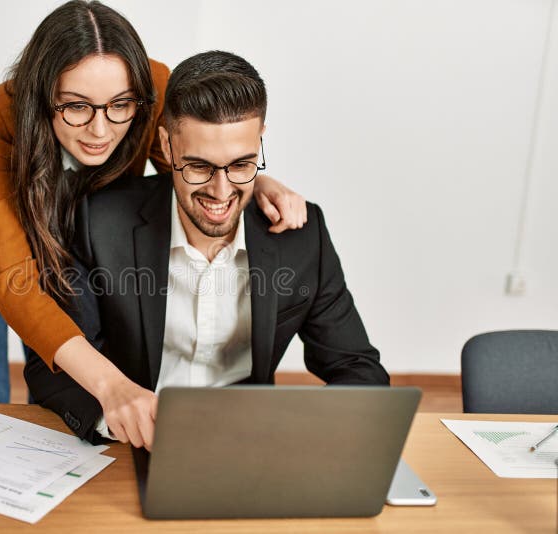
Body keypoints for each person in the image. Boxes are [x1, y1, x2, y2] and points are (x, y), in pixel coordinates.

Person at [0, 1, 308, 405]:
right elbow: (12, 276)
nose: (100, 131)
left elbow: (192, 165)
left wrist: (254, 182)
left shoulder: (155, 87)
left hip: (69, 256)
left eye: (120, 105)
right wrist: (111, 386)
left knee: (53, 400)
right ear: (42, 95)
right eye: (76, 106)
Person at [25, 50, 390, 450]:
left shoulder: (301, 234)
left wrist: (298, 430)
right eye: (199, 167)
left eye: (241, 165)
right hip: (133, 447)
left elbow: (359, 369)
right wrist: (118, 418)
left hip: (252, 448)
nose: (221, 191)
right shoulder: (98, 222)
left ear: (259, 142)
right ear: (166, 146)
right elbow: (50, 372)